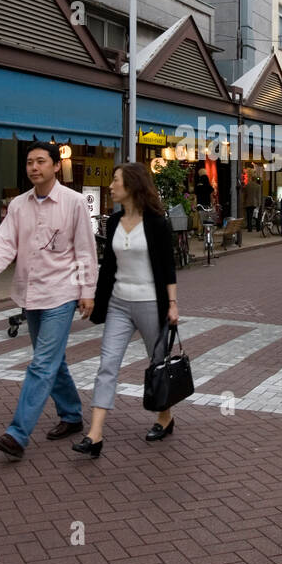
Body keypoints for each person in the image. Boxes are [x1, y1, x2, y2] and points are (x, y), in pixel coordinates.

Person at [0, 142, 97, 461]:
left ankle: (17, 435)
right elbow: (5, 241)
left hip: (61, 294)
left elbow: (85, 249)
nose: (34, 167)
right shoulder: (19, 205)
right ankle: (72, 415)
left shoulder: (73, 203)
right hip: (30, 294)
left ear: (56, 166)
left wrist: (87, 290)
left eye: (41, 161)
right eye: (30, 162)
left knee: (42, 363)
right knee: (52, 359)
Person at [74, 163, 179, 459]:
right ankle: (94, 435)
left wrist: (172, 304)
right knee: (107, 364)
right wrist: (94, 297)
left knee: (157, 364)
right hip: (119, 303)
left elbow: (168, 267)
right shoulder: (115, 220)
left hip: (149, 303)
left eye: (115, 180)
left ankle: (164, 417)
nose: (110, 185)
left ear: (131, 185)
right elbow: (108, 266)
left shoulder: (157, 222)